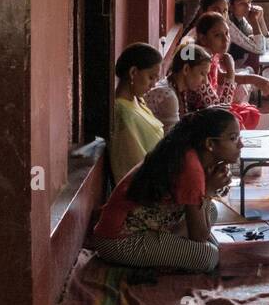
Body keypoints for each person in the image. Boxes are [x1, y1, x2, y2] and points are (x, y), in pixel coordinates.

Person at [89, 108, 240, 273]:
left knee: (211, 210)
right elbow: (199, 237)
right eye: (233, 139)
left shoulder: (191, 153)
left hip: (153, 225)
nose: (240, 144)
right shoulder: (191, 168)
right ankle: (165, 256)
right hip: (117, 241)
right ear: (210, 144)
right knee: (209, 257)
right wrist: (209, 191)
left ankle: (169, 249)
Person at [183, 11, 269, 128]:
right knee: (238, 121)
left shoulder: (210, 56)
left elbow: (219, 78)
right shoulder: (199, 65)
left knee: (250, 112)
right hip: (200, 120)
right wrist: (230, 72)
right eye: (217, 35)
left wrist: (255, 79)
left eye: (227, 33)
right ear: (203, 39)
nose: (225, 40)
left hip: (211, 112)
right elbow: (220, 111)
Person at [109, 43, 165, 183]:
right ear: (133, 72)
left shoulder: (138, 99)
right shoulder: (122, 112)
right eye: (151, 77)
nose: (153, 84)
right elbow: (134, 167)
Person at [146, 44, 213, 131]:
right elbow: (173, 139)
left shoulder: (175, 87)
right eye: (202, 74)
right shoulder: (168, 96)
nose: (205, 81)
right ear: (186, 69)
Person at [226, 0, 269, 69]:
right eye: (242, 3)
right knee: (253, 56)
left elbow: (266, 45)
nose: (248, 6)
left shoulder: (241, 20)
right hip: (219, 67)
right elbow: (260, 49)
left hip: (234, 65)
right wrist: (254, 21)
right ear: (230, 7)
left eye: (249, 2)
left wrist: (260, 19)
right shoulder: (227, 24)